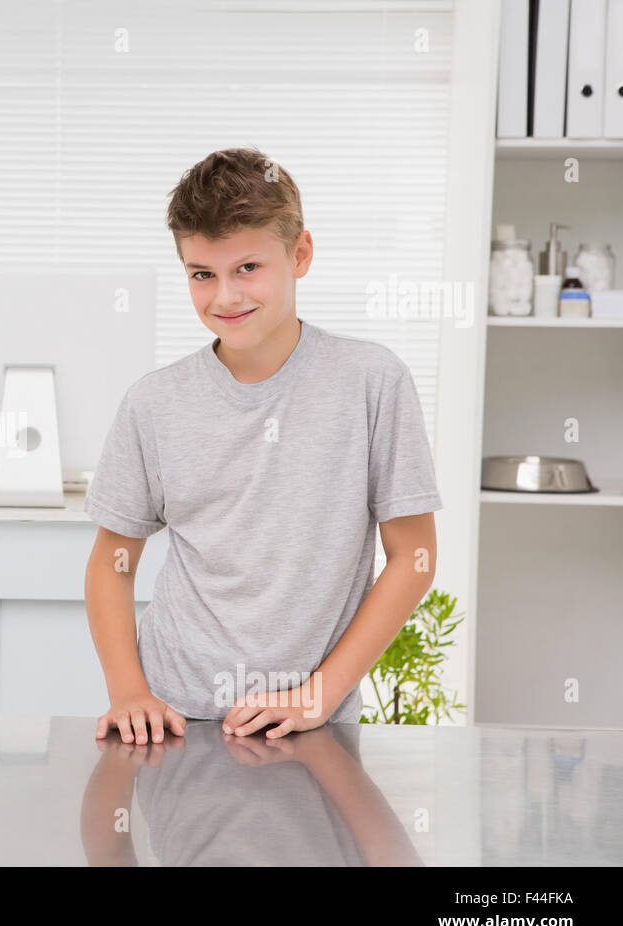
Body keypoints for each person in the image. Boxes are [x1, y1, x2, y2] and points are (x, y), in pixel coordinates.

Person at [84, 147, 442, 745]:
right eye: (202, 274)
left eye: (248, 267)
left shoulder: (373, 382)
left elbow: (414, 557)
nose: (225, 296)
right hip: (177, 719)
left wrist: (318, 695)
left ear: (299, 254)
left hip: (307, 727)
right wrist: (129, 692)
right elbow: (111, 564)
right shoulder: (154, 403)